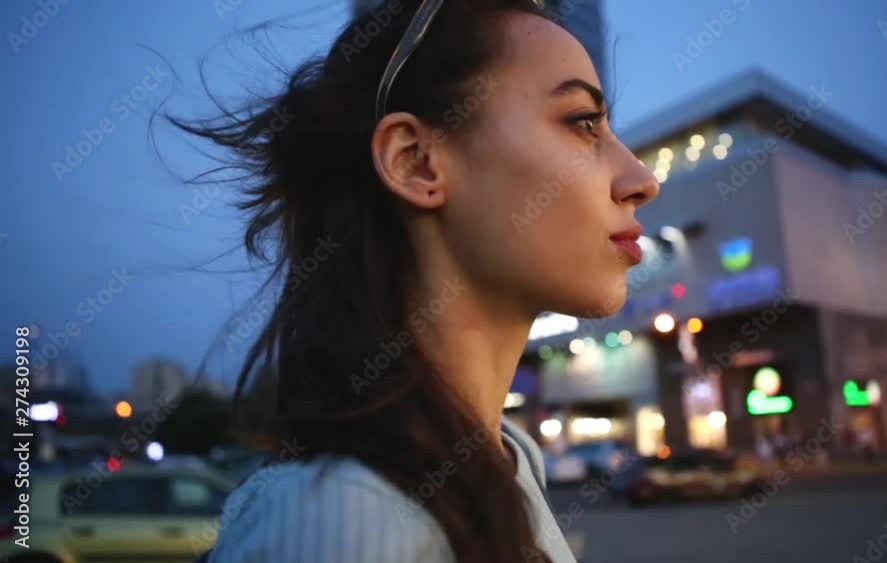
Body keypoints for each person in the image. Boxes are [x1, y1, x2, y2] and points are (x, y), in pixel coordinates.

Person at [174, 1, 659, 561]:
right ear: (415, 161)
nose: (642, 179)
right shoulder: (345, 520)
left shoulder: (508, 459)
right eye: (583, 122)